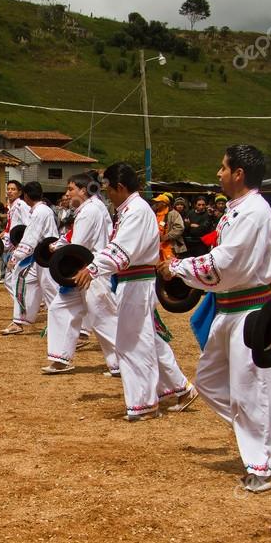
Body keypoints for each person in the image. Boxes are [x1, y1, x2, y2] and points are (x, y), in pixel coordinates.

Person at [163, 144, 271, 491]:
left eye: (222, 167)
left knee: (251, 389)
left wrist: (177, 267)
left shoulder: (253, 212)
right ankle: (261, 434)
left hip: (250, 310)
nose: (218, 174)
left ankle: (266, 463)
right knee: (209, 380)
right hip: (229, 308)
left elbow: (225, 262)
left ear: (239, 174)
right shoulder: (237, 210)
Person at [73, 164, 186, 420]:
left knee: (133, 343)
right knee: (146, 339)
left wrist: (92, 268)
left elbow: (120, 250)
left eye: (108, 188)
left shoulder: (135, 211)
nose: (107, 193)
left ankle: (145, 403)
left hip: (138, 282)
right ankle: (180, 388)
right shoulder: (131, 210)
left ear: (120, 187)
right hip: (133, 282)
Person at [42, 173, 114, 373]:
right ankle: (60, 358)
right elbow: (73, 239)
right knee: (58, 308)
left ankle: (122, 362)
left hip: (90, 272)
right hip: (81, 271)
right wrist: (58, 246)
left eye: (70, 189)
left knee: (102, 317)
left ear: (83, 190)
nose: (67, 193)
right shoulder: (88, 209)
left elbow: (78, 245)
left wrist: (59, 252)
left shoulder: (90, 211)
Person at [2, 182, 59, 335]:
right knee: (24, 281)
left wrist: (16, 256)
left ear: (26, 196)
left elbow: (31, 235)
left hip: (46, 256)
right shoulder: (41, 210)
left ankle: (57, 324)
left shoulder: (40, 211)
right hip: (39, 255)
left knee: (50, 289)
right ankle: (18, 321)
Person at [0, 180, 29, 286]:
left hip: (19, 246)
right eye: (8, 189)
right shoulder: (11, 207)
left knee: (12, 280)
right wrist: (5, 232)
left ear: (19, 192)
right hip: (12, 246)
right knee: (10, 280)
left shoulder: (21, 205)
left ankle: (23, 302)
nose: (10, 191)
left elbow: (27, 226)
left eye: (13, 189)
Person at [152, 193, 186, 262]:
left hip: (170, 247)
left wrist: (166, 237)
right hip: (157, 247)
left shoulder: (173, 213)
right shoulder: (154, 213)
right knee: (159, 267)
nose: (156, 203)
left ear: (164, 203)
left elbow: (179, 228)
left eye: (158, 202)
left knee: (170, 268)